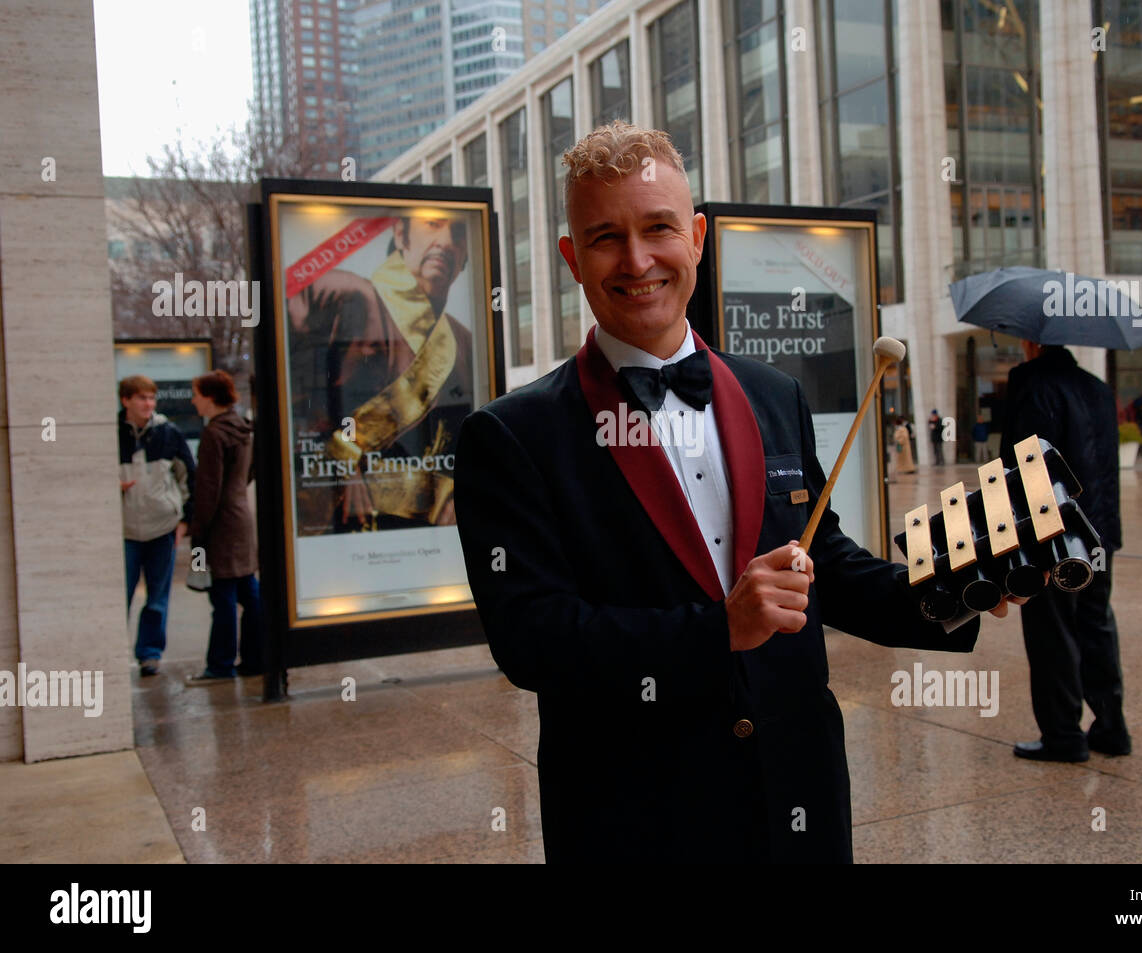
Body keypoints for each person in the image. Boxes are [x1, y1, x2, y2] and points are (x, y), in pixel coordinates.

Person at [454, 121, 1030, 863]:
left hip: (799, 801)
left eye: (658, 228)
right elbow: (531, 640)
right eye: (605, 237)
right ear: (571, 256)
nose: (637, 261)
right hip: (635, 822)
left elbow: (826, 570)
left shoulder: (772, 393)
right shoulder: (511, 436)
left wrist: (962, 585)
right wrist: (716, 628)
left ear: (696, 236)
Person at [287, 213, 475, 533]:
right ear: (400, 234)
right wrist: (342, 459)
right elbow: (290, 394)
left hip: (421, 533)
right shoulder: (339, 292)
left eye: (458, 233)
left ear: (465, 258)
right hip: (338, 528)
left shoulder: (462, 342)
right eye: (433, 225)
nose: (446, 242)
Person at [1000, 341, 1130, 762]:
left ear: (1032, 341)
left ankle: (1063, 736)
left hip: (1052, 536)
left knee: (1052, 632)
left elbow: (1021, 469)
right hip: (1099, 532)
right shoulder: (1096, 388)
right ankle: (1112, 729)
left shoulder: (1034, 387)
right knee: (1096, 625)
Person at [187, 370, 263, 681]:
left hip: (221, 524)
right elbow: (250, 471)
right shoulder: (242, 429)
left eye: (196, 394)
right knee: (248, 591)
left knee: (223, 598)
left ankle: (220, 664)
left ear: (210, 397)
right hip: (240, 516)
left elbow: (207, 490)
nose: (193, 400)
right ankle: (257, 657)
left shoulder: (214, 434)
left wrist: (198, 532)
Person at [119, 375, 196, 677]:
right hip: (124, 531)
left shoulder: (169, 433)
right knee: (119, 595)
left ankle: (150, 654)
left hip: (162, 528)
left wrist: (185, 521)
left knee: (157, 597)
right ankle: (113, 651)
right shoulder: (110, 433)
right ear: (126, 400)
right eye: (141, 398)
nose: (148, 404)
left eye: (151, 398)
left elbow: (189, 476)